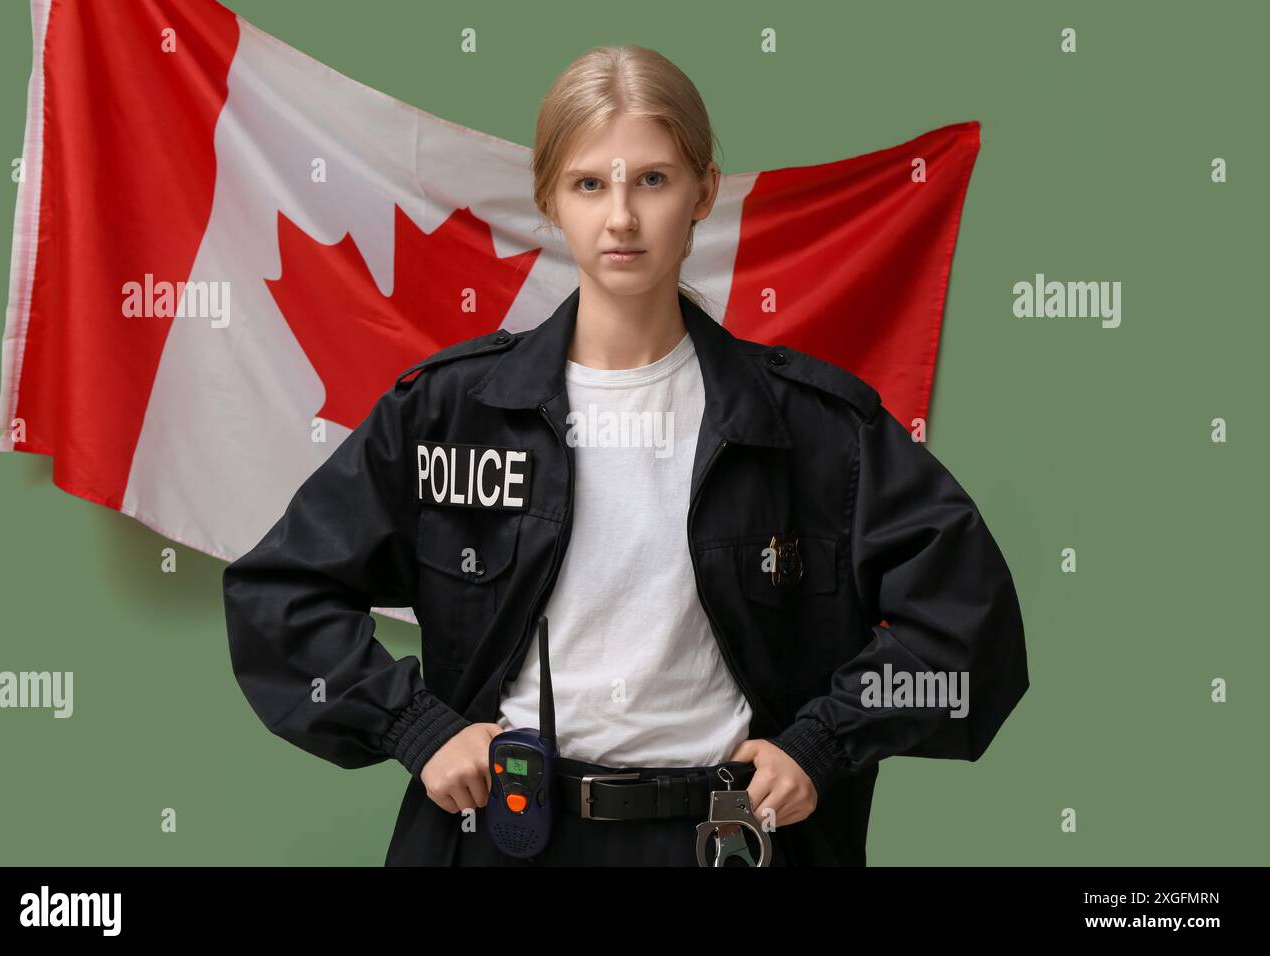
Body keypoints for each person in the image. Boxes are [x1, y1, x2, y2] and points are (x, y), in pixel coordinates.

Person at [223, 45, 1029, 867]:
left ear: (703, 193)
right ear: (549, 201)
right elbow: (279, 594)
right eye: (589, 184)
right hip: (508, 837)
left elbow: (971, 636)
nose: (621, 218)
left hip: (731, 841)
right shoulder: (447, 414)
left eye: (652, 180)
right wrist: (418, 729)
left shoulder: (820, 431)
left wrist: (825, 744)